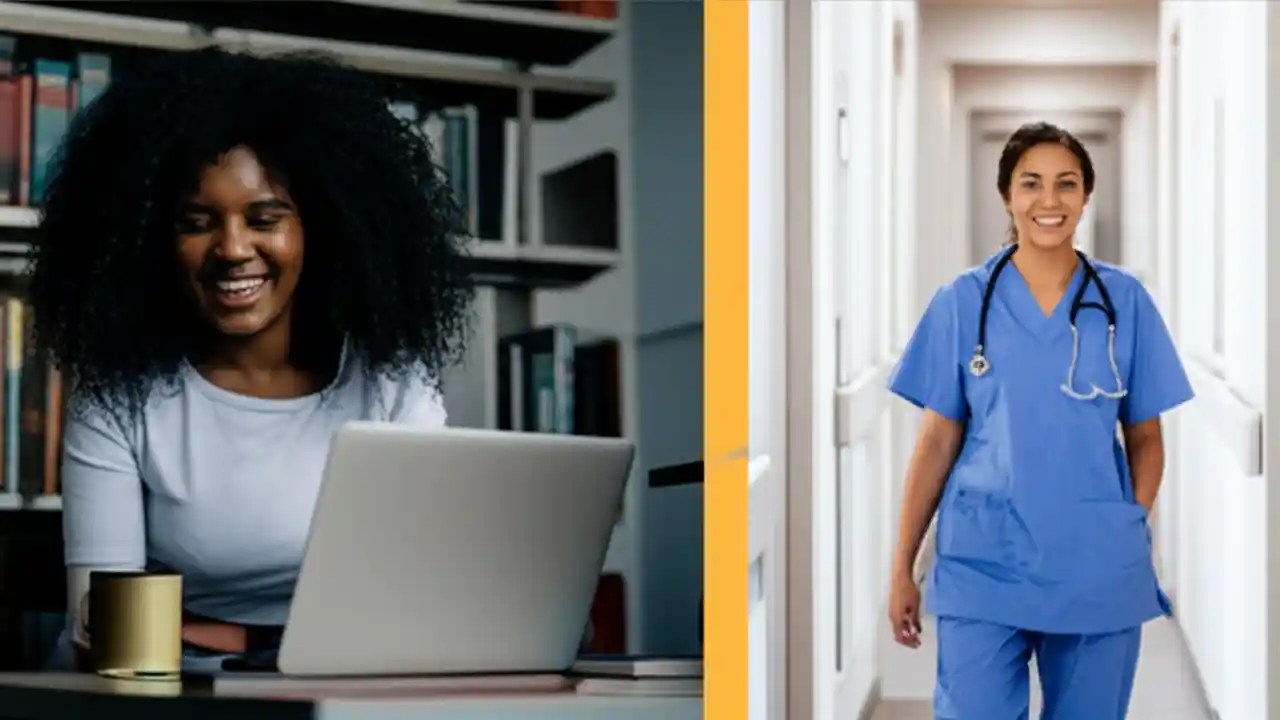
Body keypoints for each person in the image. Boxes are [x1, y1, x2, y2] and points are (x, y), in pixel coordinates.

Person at [29, 47, 474, 671]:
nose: (232, 249)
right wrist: (270, 647)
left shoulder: (392, 384)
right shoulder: (118, 393)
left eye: (265, 218)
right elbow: (107, 630)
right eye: (197, 221)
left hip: (331, 685)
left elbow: (424, 589)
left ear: (321, 229)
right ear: (152, 238)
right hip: (156, 694)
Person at [885, 121, 1193, 719]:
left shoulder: (1124, 301)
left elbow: (1147, 437)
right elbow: (936, 440)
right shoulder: (961, 302)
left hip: (1095, 565)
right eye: (1031, 184)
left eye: (1066, 184)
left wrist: (1126, 522)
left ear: (1085, 196)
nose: (1049, 201)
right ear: (1007, 195)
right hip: (983, 560)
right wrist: (902, 565)